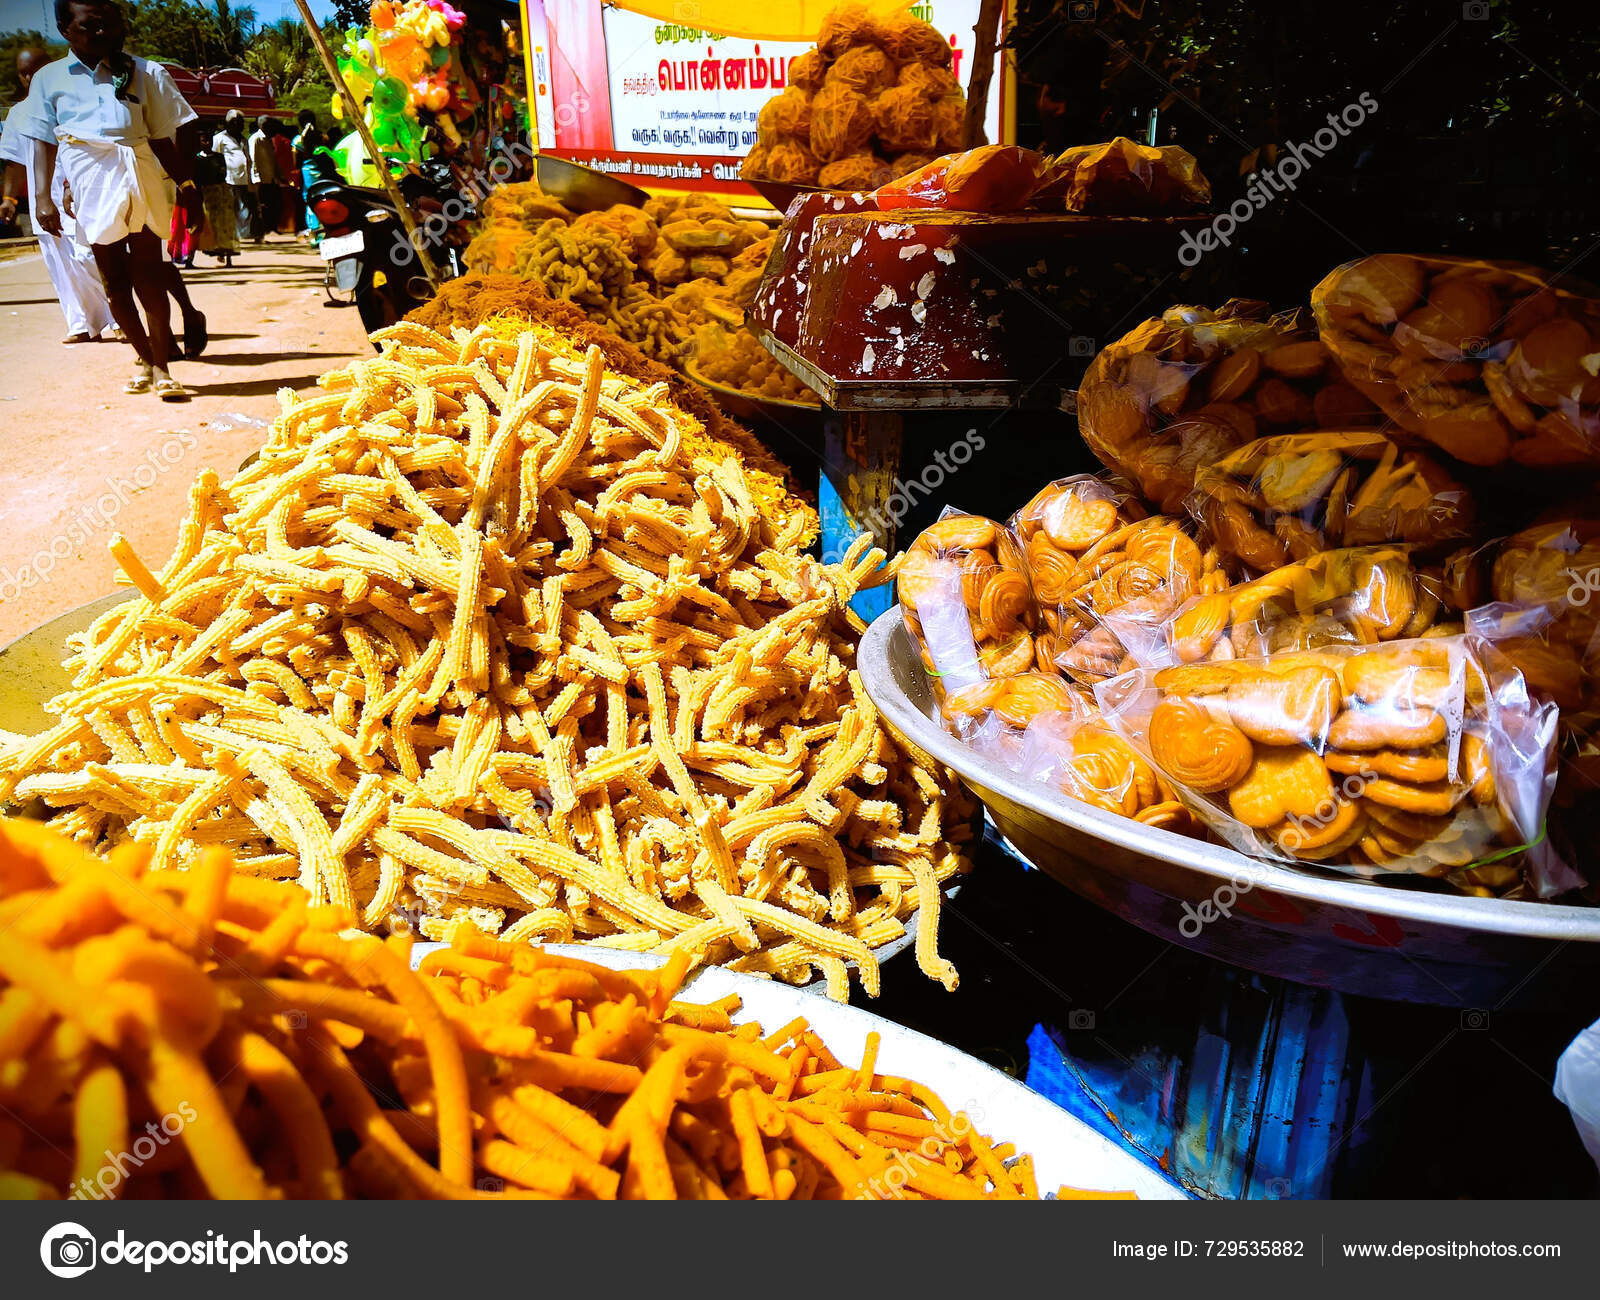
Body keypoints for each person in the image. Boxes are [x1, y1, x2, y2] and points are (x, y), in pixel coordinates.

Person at [15, 0, 199, 398]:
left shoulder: (145, 72)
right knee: (113, 280)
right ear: (66, 28)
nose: (106, 34)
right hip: (89, 182)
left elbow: (163, 137)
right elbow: (45, 141)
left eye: (114, 25)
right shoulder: (49, 79)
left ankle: (163, 367)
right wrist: (43, 197)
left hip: (140, 174)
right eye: (93, 26)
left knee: (149, 273)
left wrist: (187, 186)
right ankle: (145, 357)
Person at [0, 44, 114, 344]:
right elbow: (14, 160)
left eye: (35, 70)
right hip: (42, 199)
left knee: (88, 254)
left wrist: (68, 187)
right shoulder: (17, 114)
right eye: (24, 73)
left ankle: (118, 316)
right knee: (59, 263)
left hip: (75, 192)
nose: (29, 78)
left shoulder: (66, 100)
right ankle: (80, 323)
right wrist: (9, 198)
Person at [192, 135, 236, 265]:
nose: (207, 143)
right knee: (204, 225)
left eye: (209, 140)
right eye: (204, 140)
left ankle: (227, 256)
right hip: (204, 193)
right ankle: (191, 257)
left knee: (224, 225)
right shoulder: (197, 159)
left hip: (219, 193)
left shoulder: (219, 157)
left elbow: (223, 174)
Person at [214, 109, 255, 243]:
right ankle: (231, 235)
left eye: (242, 123)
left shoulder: (244, 140)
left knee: (244, 208)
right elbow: (215, 158)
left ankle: (244, 234)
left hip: (244, 180)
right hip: (228, 180)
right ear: (230, 123)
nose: (241, 126)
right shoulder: (220, 138)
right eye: (238, 123)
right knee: (230, 208)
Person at [292, 108, 325, 236]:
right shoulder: (322, 137)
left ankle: (314, 231)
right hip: (323, 173)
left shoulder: (297, 141)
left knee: (311, 201)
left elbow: (296, 163)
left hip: (307, 174)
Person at [246, 113, 277, 240]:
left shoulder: (268, 139)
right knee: (259, 207)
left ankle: (267, 231)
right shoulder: (255, 139)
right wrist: (256, 178)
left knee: (269, 206)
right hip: (259, 179)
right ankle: (259, 234)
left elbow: (272, 160)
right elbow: (253, 159)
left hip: (269, 178)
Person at [269, 119, 297, 233]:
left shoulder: (275, 141)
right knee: (287, 203)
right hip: (287, 176)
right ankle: (287, 226)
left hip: (280, 176)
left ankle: (285, 226)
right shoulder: (285, 141)